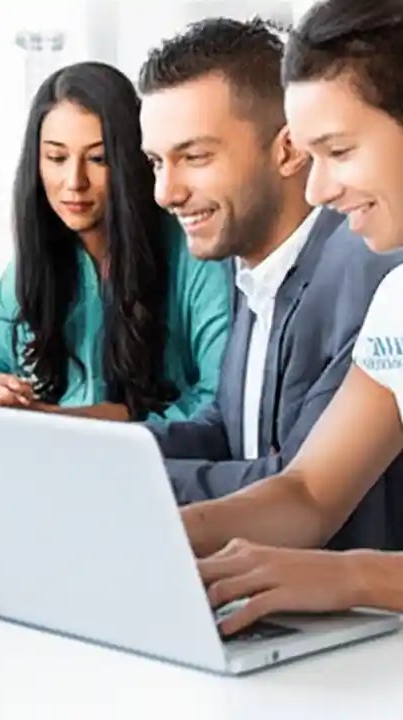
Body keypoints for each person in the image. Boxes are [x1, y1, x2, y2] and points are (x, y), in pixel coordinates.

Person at [176, 0, 403, 635]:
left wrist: (357, 576)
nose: (317, 190)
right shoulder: (397, 304)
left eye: (338, 151)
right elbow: (309, 494)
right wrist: (155, 528)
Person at [0, 62, 232, 422]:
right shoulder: (30, 267)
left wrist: (68, 421)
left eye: (98, 159)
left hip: (161, 456)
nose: (75, 181)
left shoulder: (195, 256)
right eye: (56, 158)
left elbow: (219, 402)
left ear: (132, 160)